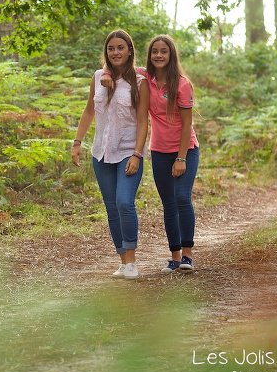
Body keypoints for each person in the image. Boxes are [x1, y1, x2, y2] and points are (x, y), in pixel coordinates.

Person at [71, 29, 149, 279]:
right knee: (111, 207)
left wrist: (137, 154)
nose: (115, 52)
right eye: (111, 48)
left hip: (128, 151)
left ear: (129, 51)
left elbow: (143, 121)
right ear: (106, 52)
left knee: (124, 202)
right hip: (101, 153)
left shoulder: (139, 82)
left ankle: (132, 260)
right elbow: (88, 112)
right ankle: (122, 260)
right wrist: (77, 142)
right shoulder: (97, 77)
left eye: (120, 48)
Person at [141, 34, 200, 274]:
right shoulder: (145, 78)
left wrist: (181, 158)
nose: (158, 55)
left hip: (185, 149)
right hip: (158, 151)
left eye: (163, 51)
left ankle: (187, 255)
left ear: (171, 55)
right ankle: (174, 257)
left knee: (182, 198)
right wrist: (105, 75)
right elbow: (119, 67)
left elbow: (187, 124)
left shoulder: (182, 84)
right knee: (168, 204)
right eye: (154, 51)